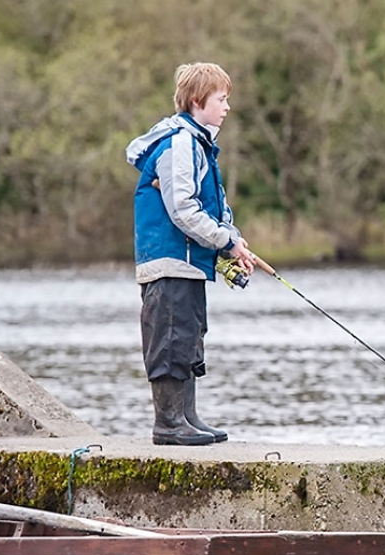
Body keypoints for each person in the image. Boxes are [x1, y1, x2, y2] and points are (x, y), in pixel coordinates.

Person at [126, 62, 255, 446]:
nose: (227, 107)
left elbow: (214, 205)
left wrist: (234, 239)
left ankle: (187, 417)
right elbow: (183, 208)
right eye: (222, 99)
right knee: (168, 339)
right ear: (198, 101)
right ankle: (168, 424)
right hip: (168, 260)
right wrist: (224, 241)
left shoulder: (201, 145)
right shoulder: (180, 143)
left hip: (191, 263)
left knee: (188, 337)